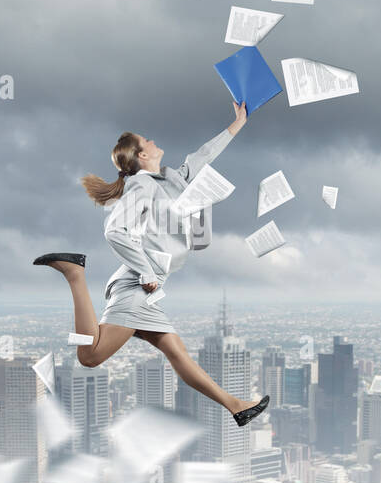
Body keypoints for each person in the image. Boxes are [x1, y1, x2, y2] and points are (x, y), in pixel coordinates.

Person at [34, 100, 268, 427]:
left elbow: (201, 156)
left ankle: (236, 407)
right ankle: (74, 274)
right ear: (142, 156)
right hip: (140, 285)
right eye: (148, 142)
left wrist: (236, 124)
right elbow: (115, 230)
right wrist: (145, 272)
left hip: (149, 284)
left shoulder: (170, 180)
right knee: (90, 357)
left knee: (177, 354)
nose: (155, 142)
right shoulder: (142, 186)